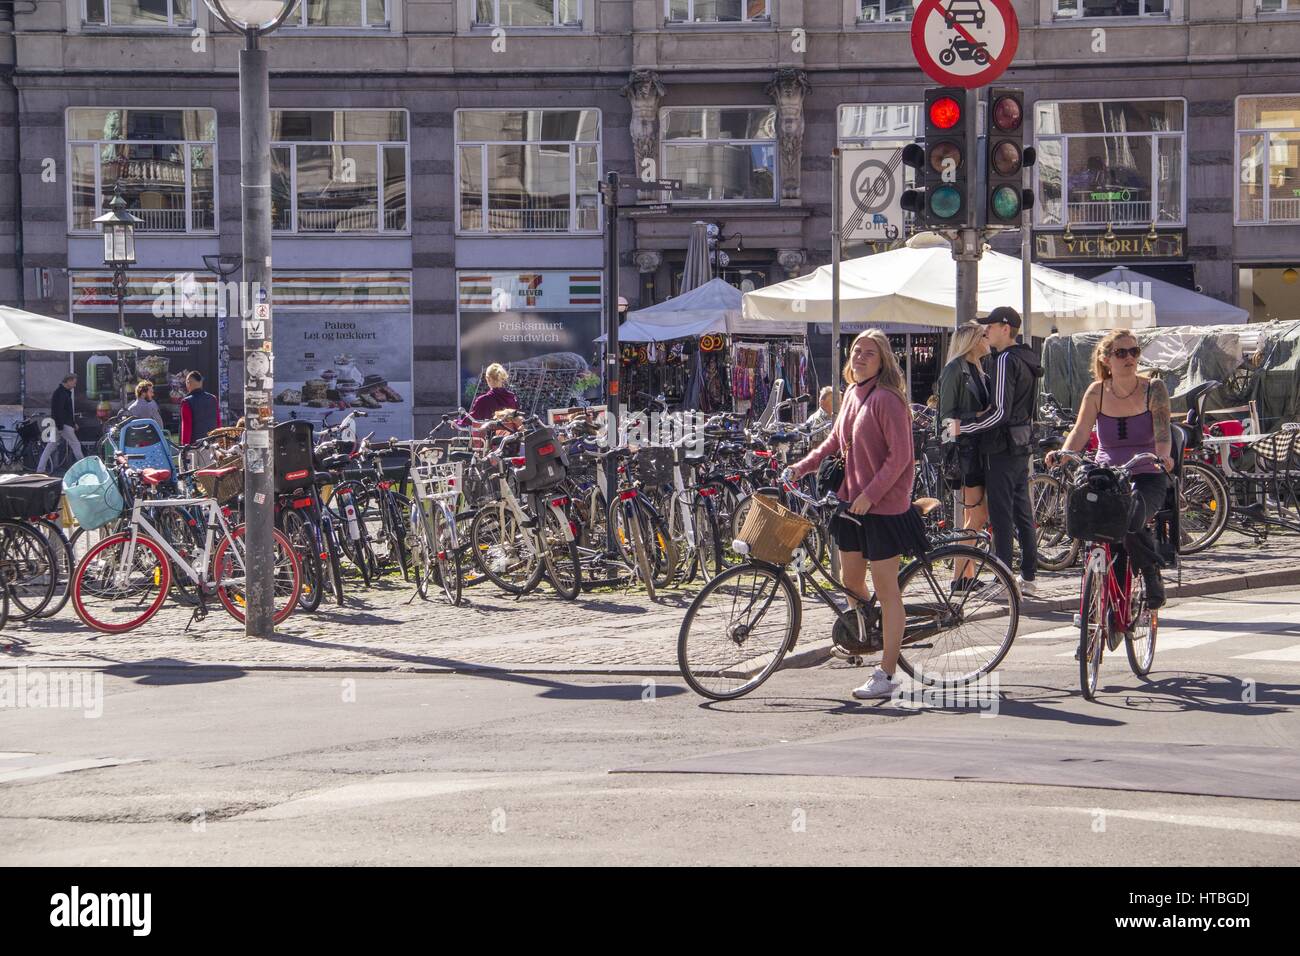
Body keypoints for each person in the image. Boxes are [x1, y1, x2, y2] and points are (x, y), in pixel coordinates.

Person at [786, 329, 930, 700]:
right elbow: (834, 441)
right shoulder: (851, 394)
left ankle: (886, 672)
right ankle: (868, 633)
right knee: (850, 579)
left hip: (884, 507)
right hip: (851, 503)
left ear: (883, 360)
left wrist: (871, 494)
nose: (860, 357)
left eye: (869, 352)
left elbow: (900, 458)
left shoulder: (888, 400)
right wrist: (800, 467)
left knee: (887, 589)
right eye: (855, 351)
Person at [1046, 330, 1173, 608]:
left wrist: (1163, 458)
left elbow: (1163, 434)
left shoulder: (1154, 388)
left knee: (1131, 516)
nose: (1129, 358)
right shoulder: (1097, 392)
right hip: (1109, 474)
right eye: (1121, 353)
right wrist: (1064, 455)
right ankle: (1100, 586)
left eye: (1134, 352)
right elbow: (1080, 432)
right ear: (1106, 359)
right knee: (1090, 516)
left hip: (1145, 472)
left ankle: (1151, 571)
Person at [949, 306, 1043, 596]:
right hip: (1021, 443)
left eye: (989, 326)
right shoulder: (1028, 358)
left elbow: (999, 412)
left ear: (1005, 328)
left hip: (1000, 447)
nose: (986, 331)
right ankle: (1028, 577)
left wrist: (965, 428)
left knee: (1002, 516)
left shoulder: (1004, 360)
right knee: (1023, 512)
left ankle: (1005, 580)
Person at [936, 321, 992, 588]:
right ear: (971, 340)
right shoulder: (954, 370)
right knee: (976, 515)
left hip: (979, 448)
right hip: (966, 450)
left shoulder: (978, 370)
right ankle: (960, 576)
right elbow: (945, 420)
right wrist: (976, 417)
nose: (988, 338)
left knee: (976, 516)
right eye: (983, 335)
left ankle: (964, 574)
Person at [36, 374, 83, 473]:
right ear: (69, 381)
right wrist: (61, 426)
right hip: (63, 425)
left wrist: (72, 423)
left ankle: (40, 469)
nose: (74, 385)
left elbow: (61, 411)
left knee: (50, 446)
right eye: (74, 383)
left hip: (59, 424)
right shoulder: (62, 394)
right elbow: (60, 411)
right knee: (75, 444)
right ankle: (84, 468)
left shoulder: (61, 392)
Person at [180, 370, 220, 447]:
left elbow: (186, 427)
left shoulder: (186, 402)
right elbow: (218, 422)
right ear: (201, 382)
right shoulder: (213, 398)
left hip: (195, 447)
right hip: (213, 444)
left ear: (188, 382)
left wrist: (184, 446)